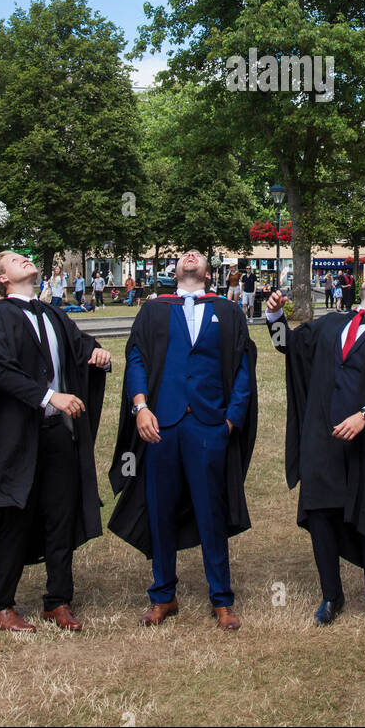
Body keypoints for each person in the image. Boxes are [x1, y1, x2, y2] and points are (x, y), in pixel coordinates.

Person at [0, 250, 112, 633]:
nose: (25, 259)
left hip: (58, 436)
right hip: (16, 438)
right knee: (16, 516)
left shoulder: (54, 314)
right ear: (2, 279)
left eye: (26, 256)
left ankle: (58, 601)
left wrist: (97, 353)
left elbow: (79, 344)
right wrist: (48, 396)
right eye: (14, 259)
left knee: (61, 516)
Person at [108, 249, 258, 631]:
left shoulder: (227, 312)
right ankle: (163, 595)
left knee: (212, 511)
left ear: (209, 273)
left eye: (198, 256)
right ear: (173, 270)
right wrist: (140, 407)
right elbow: (137, 359)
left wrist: (231, 420)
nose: (190, 256)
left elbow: (243, 368)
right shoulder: (155, 310)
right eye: (183, 255)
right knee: (160, 510)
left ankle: (222, 599)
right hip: (162, 422)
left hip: (209, 424)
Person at [266, 274, 365, 630]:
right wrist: (275, 317)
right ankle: (331, 595)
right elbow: (287, 348)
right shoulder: (331, 323)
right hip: (322, 438)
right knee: (321, 516)